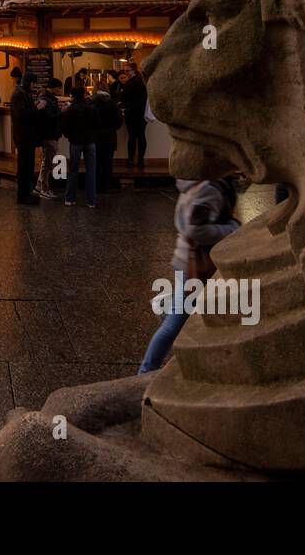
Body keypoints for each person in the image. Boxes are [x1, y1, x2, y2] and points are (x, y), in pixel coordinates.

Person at [139, 176, 241, 373]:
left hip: (187, 259)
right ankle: (145, 370)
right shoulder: (209, 188)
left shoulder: (201, 183)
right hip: (194, 263)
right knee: (173, 325)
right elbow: (195, 229)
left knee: (185, 313)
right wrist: (232, 229)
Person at [60, 86, 98, 207]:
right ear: (84, 94)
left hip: (76, 141)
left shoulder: (71, 110)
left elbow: (65, 126)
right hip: (90, 140)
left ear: (72, 96)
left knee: (73, 170)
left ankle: (70, 198)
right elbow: (97, 123)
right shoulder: (91, 108)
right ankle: (91, 201)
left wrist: (69, 136)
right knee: (91, 171)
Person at [10, 71, 41, 205]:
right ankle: (22, 196)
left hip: (26, 135)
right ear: (29, 82)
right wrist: (37, 108)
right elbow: (22, 114)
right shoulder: (19, 95)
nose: (34, 86)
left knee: (28, 166)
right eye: (34, 83)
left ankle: (27, 193)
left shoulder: (22, 93)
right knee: (24, 166)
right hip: (23, 136)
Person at [34, 80, 62, 200]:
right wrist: (62, 112)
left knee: (46, 161)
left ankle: (38, 186)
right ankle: (44, 189)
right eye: (59, 88)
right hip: (49, 134)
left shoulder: (48, 98)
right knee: (48, 163)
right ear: (53, 88)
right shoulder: (46, 99)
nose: (60, 90)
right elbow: (48, 117)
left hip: (49, 133)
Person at [92, 88, 123, 192]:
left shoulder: (93, 104)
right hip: (110, 135)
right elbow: (119, 121)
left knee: (96, 161)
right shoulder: (113, 105)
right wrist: (112, 128)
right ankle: (106, 185)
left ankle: (96, 185)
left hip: (95, 136)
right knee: (108, 162)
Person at [119, 62, 148, 169]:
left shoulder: (130, 83)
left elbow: (123, 98)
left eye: (127, 71)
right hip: (142, 113)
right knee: (141, 136)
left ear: (133, 70)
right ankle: (141, 161)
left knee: (132, 137)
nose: (126, 73)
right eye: (125, 71)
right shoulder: (142, 81)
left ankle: (131, 160)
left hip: (132, 113)